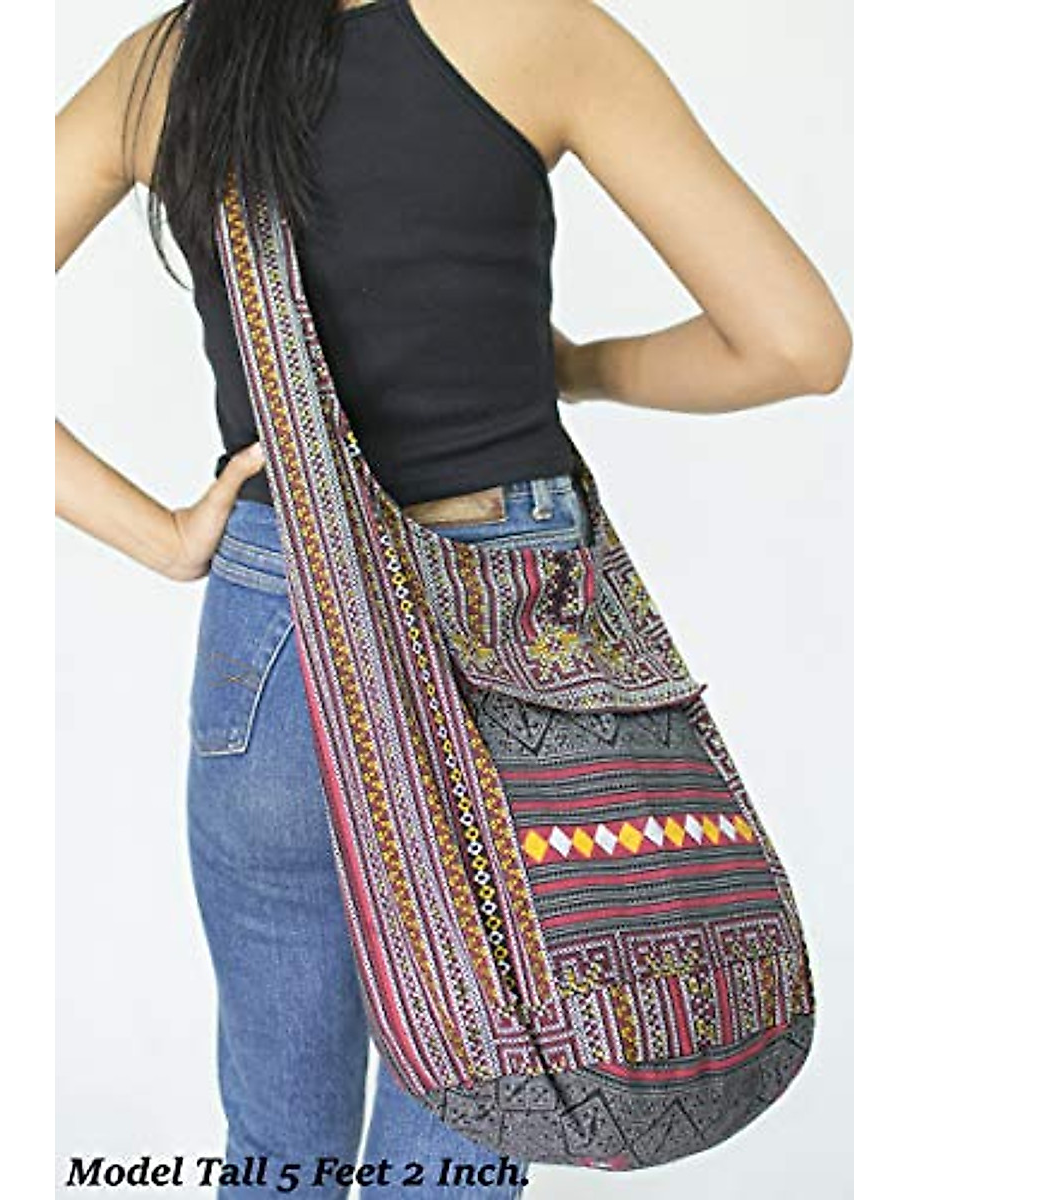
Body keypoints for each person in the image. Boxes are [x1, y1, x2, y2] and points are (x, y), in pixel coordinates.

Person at [55, 2, 851, 1195]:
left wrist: (166, 538)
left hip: (277, 623)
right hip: (515, 626)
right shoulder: (535, 31)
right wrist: (578, 367)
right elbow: (795, 343)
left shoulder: (166, 65)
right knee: (469, 1140)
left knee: (277, 1147)